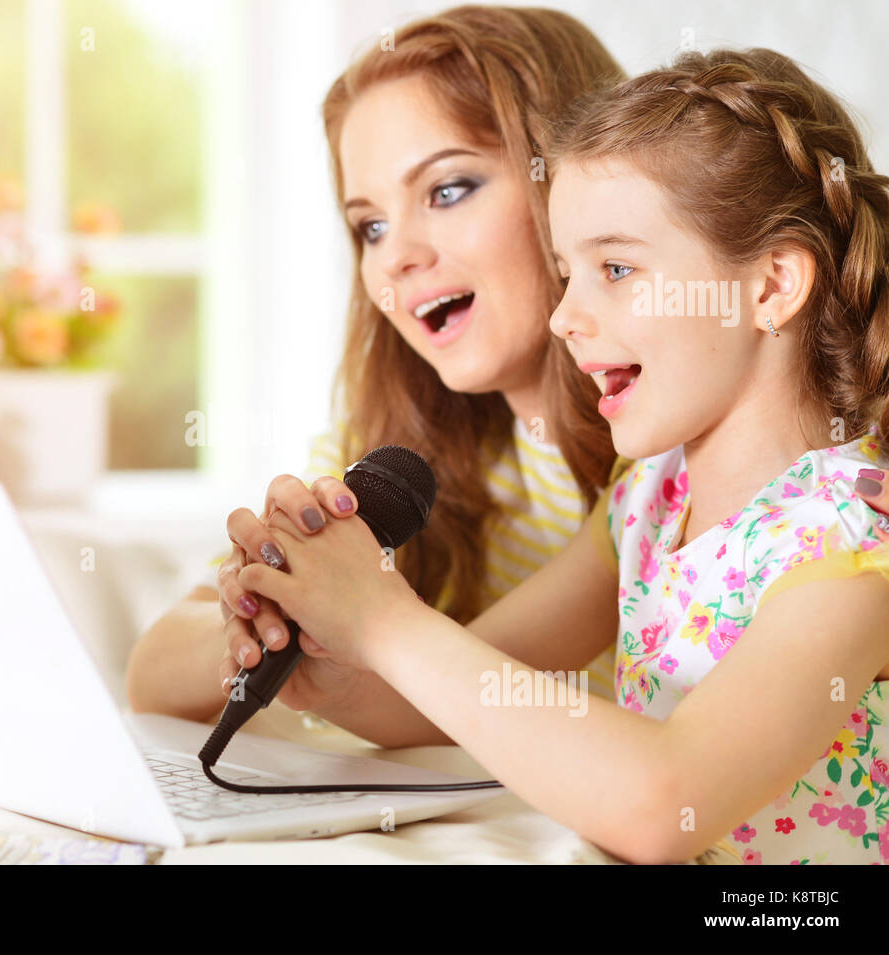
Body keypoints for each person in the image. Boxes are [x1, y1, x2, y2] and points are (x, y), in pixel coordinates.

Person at [232, 47, 889, 865]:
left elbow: (666, 804)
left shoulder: (855, 548)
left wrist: (386, 619)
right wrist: (329, 656)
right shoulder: (645, 499)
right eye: (565, 274)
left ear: (770, 287)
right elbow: (476, 691)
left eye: (615, 268)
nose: (564, 318)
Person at [125, 5, 626, 743]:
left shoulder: (662, 457)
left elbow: (464, 696)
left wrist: (350, 623)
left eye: (448, 190)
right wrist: (258, 616)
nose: (395, 257)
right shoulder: (391, 451)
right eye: (371, 226)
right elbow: (150, 675)